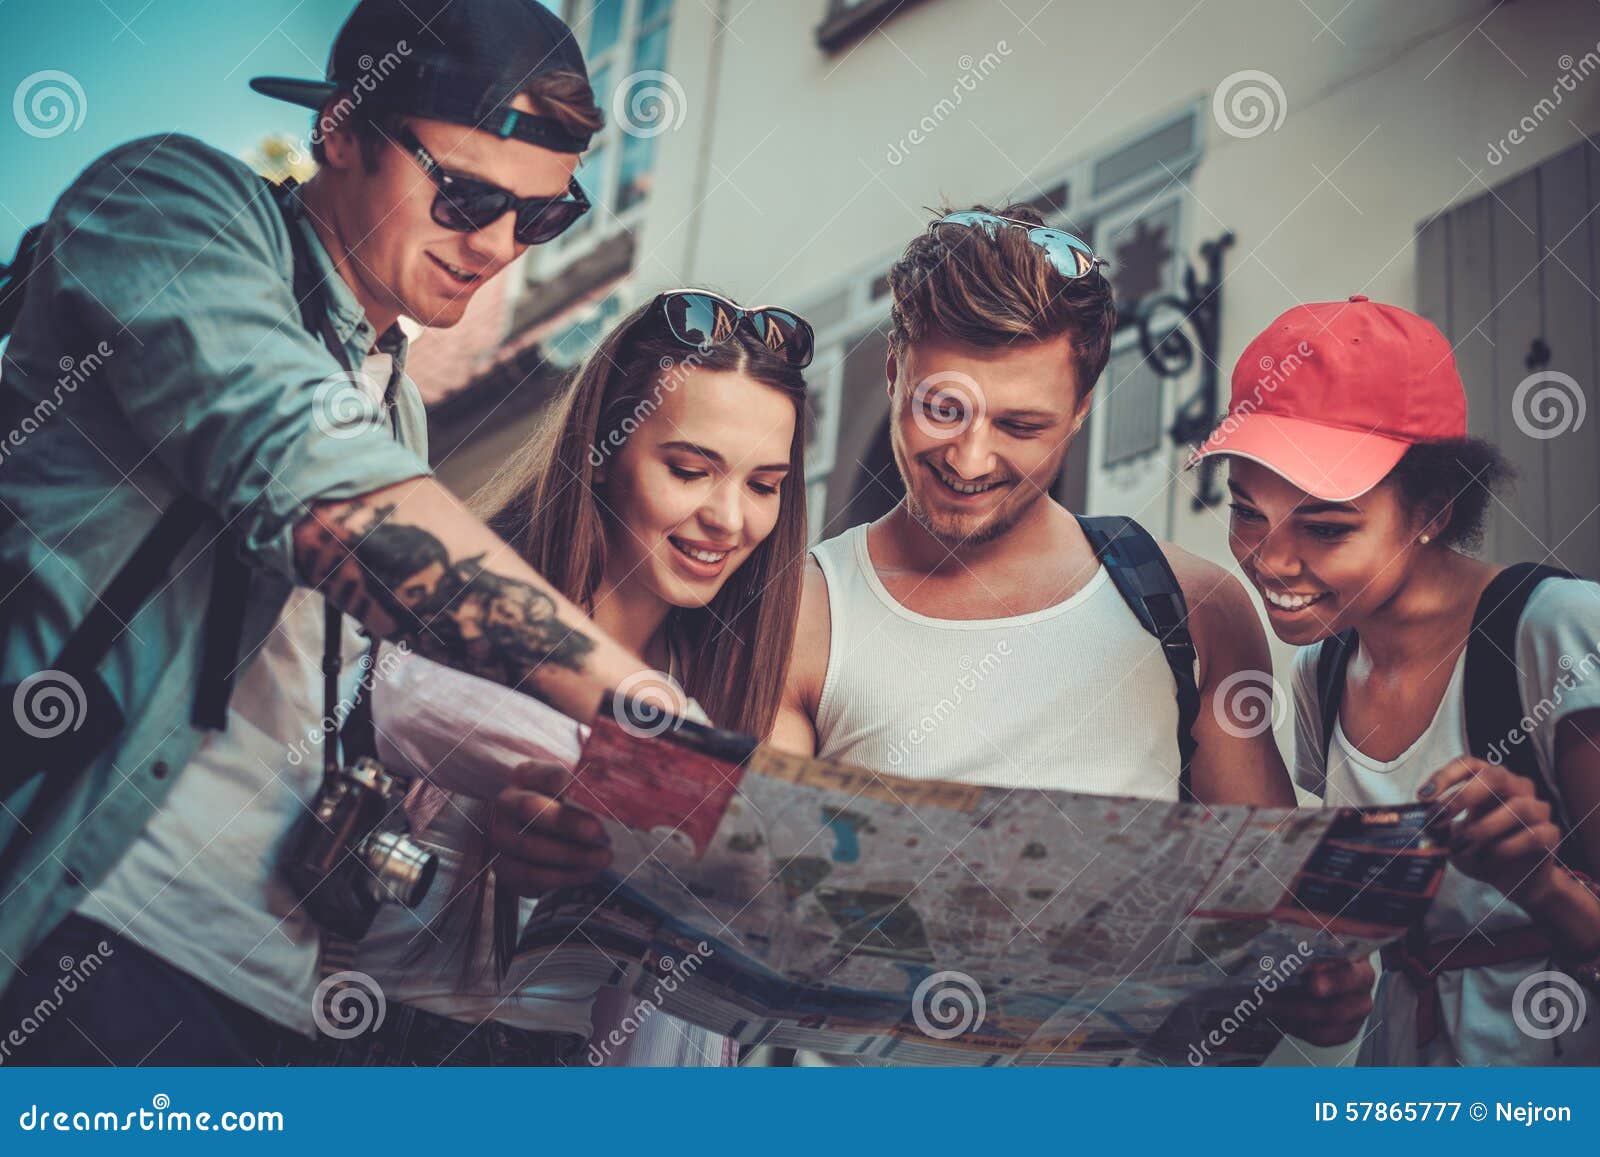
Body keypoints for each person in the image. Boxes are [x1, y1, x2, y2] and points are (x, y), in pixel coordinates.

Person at [0, 0, 671, 1065]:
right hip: (90, 938)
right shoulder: (167, 205)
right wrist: (634, 709)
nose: (496, 246)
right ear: (343, 129)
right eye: (465, 195)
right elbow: (306, 474)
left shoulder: (395, 398)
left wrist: (498, 816)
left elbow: (303, 706)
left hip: (278, 984)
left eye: (539, 218)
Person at [765, 204, 1376, 1053]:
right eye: (942, 409)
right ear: (898, 367)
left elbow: (1266, 918)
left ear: (1083, 407)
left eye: (1020, 426)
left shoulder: (1191, 608)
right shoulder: (803, 613)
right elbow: (759, 910)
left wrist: (1314, 982)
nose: (969, 459)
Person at [344, 290, 814, 1064]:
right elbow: (402, 699)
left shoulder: (713, 705)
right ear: (603, 449)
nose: (731, 519)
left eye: (764, 485)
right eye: (692, 470)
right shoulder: (461, 618)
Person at [1189, 295, 1600, 1066]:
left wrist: (1540, 884)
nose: (1270, 562)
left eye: (1327, 528)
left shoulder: (1558, 633)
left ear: (1433, 510)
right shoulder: (1324, 672)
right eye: (1248, 512)